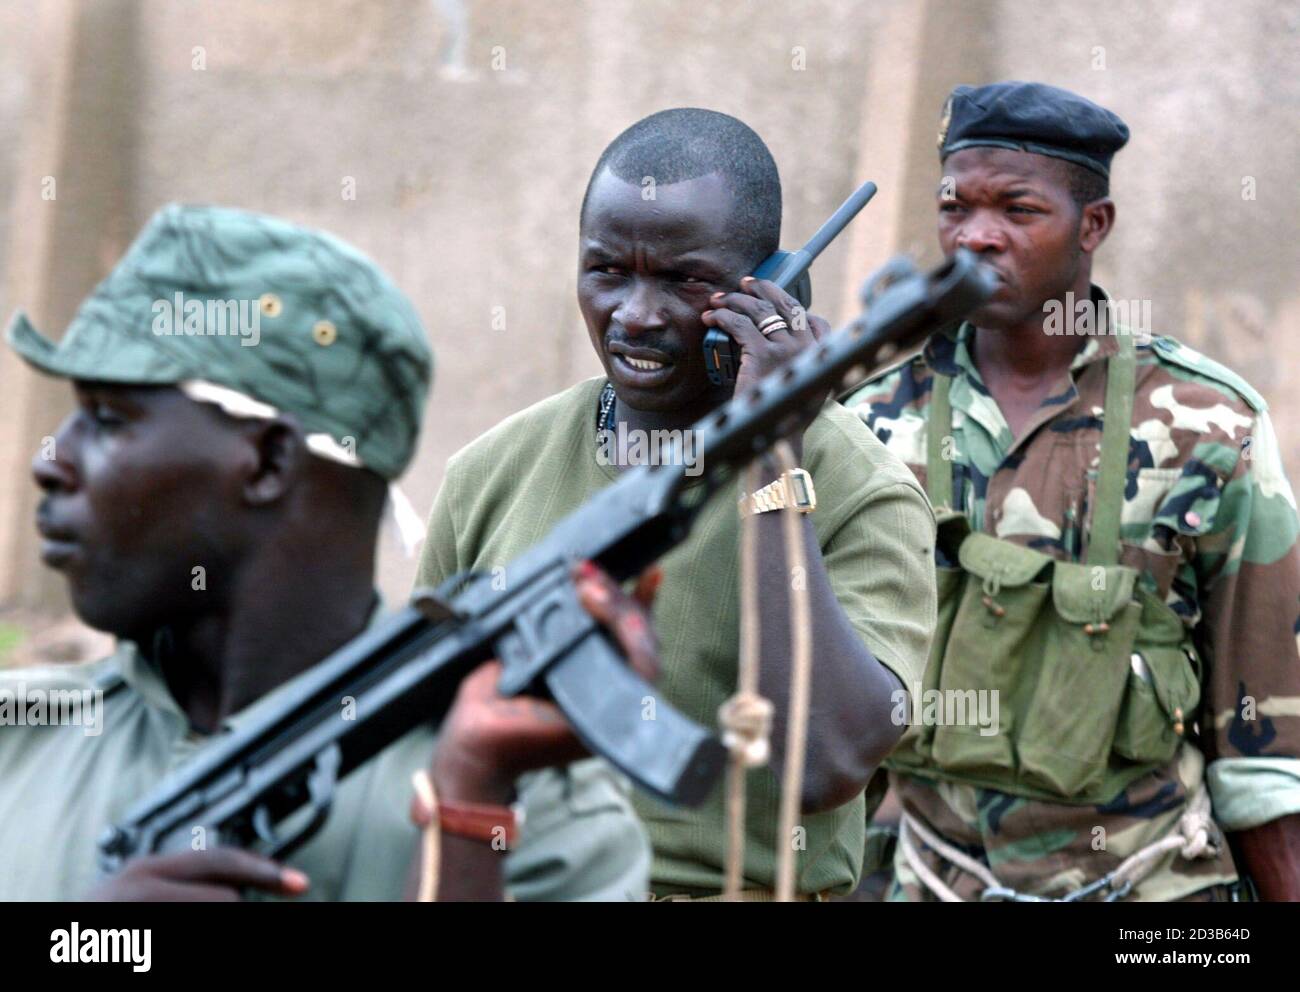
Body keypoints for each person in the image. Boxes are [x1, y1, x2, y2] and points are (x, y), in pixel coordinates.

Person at [0, 203, 653, 902]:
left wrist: (466, 811)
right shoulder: (20, 741)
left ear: (268, 461)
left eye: (106, 419)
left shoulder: (530, 809)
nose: (53, 460)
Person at [415, 108, 938, 900]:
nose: (635, 313)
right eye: (607, 271)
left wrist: (773, 456)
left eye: (683, 279)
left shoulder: (860, 488)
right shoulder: (489, 474)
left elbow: (826, 760)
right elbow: (423, 746)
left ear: (772, 290)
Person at [842, 81, 1300, 901]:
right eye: (956, 207)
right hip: (927, 876)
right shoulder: (870, 422)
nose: (976, 237)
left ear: (1094, 225)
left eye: (1018, 210)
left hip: (1146, 883)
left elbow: (1264, 743)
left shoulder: (1207, 423)